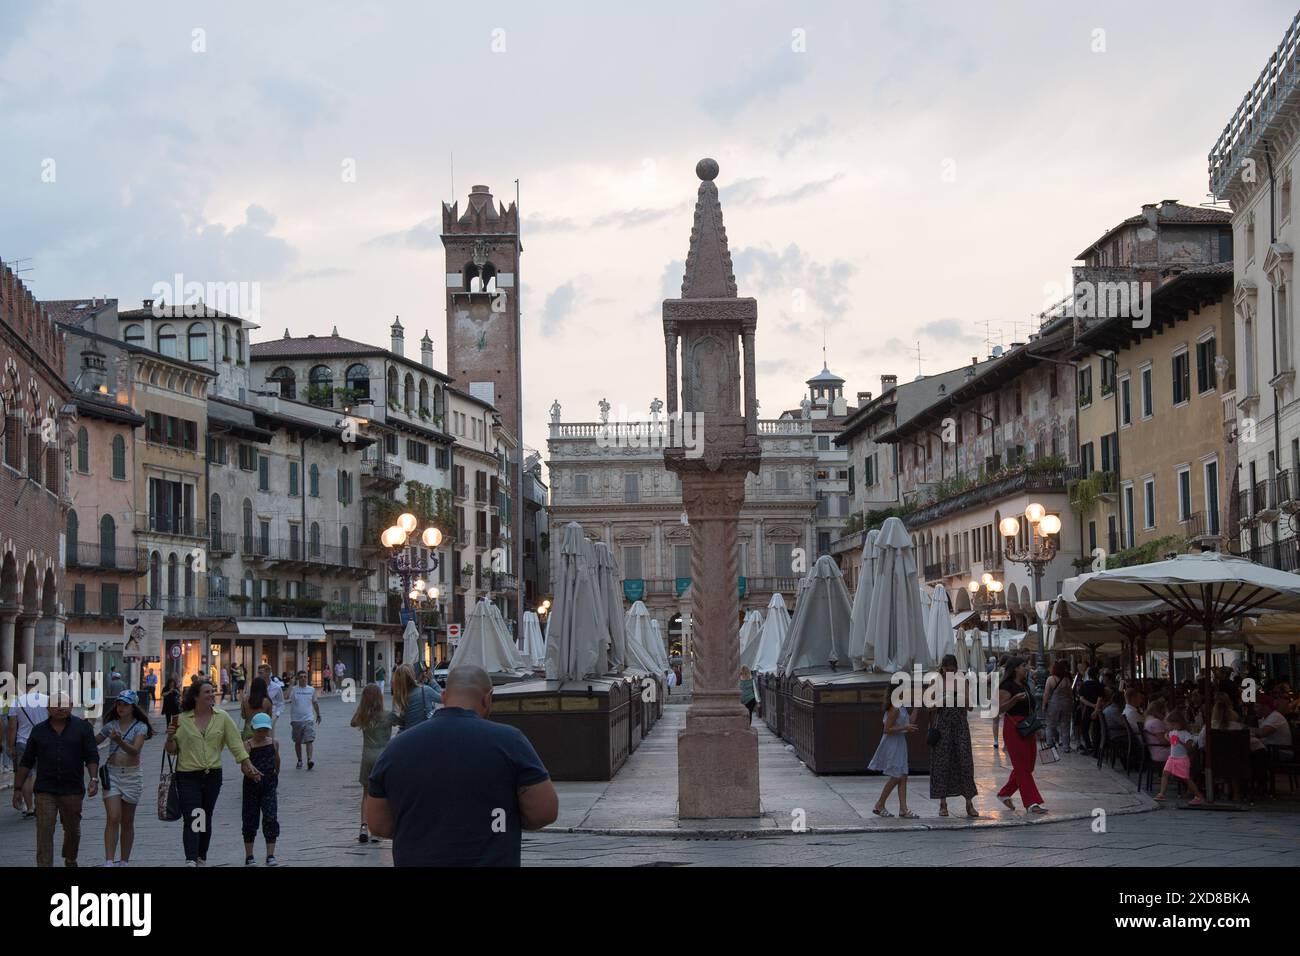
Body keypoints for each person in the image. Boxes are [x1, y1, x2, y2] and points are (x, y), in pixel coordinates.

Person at [366, 665, 558, 866]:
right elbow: (544, 812)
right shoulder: (511, 742)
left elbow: (378, 823)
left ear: (444, 695)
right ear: (488, 698)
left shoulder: (396, 749)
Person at [164, 678, 262, 866]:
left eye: (212, 691)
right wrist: (169, 737)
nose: (211, 695)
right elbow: (172, 750)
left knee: (204, 815)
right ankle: (191, 858)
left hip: (212, 776)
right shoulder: (182, 719)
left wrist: (246, 763)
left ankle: (201, 855)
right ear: (196, 696)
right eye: (207, 692)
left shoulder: (222, 717)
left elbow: (235, 744)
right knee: (193, 815)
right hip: (188, 775)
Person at [15, 693, 98, 867]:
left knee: (73, 831)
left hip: (72, 789)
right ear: (48, 708)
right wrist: (17, 788)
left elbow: (91, 755)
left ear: (72, 704)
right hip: (45, 789)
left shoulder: (83, 728)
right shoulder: (38, 731)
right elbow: (27, 761)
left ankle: (70, 858)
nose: (60, 707)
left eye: (64, 703)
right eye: (55, 704)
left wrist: (93, 778)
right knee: (44, 831)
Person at [95, 690, 152, 867]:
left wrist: (119, 741)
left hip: (132, 776)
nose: (121, 708)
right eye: (119, 704)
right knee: (113, 817)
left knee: (127, 821)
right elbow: (93, 741)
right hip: (112, 774)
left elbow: (135, 750)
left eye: (125, 705)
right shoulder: (111, 725)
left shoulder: (140, 727)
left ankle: (124, 861)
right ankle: (109, 861)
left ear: (133, 707)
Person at [928, 653, 978, 817]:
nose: (949, 672)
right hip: (943, 728)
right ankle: (943, 804)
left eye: (952, 670)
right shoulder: (936, 682)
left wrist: (960, 697)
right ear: (942, 668)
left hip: (961, 727)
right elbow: (929, 707)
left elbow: (970, 707)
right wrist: (943, 699)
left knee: (965, 763)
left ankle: (969, 804)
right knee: (942, 764)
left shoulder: (963, 681)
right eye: (946, 669)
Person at [997, 656, 1047, 813]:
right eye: (1024, 665)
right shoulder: (1006, 685)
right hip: (1013, 727)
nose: (1027, 668)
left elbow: (1030, 708)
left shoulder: (1025, 684)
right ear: (1015, 668)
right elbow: (999, 709)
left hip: (1028, 726)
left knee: (1028, 765)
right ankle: (1032, 803)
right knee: (1021, 766)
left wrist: (1037, 727)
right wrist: (1014, 700)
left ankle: (1004, 793)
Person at [351, 683, 398, 845]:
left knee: (366, 793)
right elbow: (403, 719)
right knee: (382, 795)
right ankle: (376, 831)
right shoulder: (388, 716)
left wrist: (363, 707)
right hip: (383, 757)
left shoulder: (363, 716)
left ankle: (363, 827)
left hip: (367, 757)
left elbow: (353, 723)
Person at [241, 713, 280, 866]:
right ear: (253, 729)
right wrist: (251, 775)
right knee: (250, 819)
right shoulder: (248, 745)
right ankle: (249, 855)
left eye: (265, 730)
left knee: (270, 817)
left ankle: (270, 855)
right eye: (259, 730)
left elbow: (277, 760)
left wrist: (276, 773)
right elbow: (244, 766)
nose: (262, 733)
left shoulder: (273, 743)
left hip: (269, 785)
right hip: (251, 786)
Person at [868, 695, 917, 818]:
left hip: (899, 742)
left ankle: (903, 809)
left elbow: (910, 722)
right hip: (892, 743)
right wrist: (905, 727)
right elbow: (887, 729)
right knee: (896, 776)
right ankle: (879, 804)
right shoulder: (894, 708)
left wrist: (917, 707)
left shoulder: (901, 706)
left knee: (903, 775)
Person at [8, 675, 49, 818]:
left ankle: (30, 807)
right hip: (44, 741)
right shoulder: (47, 700)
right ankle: (40, 805)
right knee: (41, 773)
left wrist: (10, 746)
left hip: (23, 742)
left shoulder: (17, 701)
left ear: (25, 686)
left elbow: (12, 727)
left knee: (25, 775)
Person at [1155, 708, 1203, 804]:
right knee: (1165, 774)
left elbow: (1189, 748)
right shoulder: (1173, 732)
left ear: (1180, 723)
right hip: (1172, 757)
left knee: (1186, 778)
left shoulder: (1186, 734)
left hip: (1181, 759)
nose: (1171, 726)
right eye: (1170, 724)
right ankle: (1161, 793)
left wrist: (1180, 741)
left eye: (1173, 724)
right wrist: (1168, 738)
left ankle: (1198, 795)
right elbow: (1173, 744)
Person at [392, 663, 441, 733]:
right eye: (423, 673)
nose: (424, 675)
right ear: (414, 675)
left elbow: (400, 721)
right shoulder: (425, 691)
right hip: (423, 734)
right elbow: (444, 698)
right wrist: (432, 680)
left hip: (407, 736)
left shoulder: (400, 695)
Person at [289, 670, 322, 769]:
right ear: (298, 679)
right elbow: (286, 696)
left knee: (309, 740)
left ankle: (309, 760)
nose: (303, 678)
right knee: (297, 741)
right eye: (301, 677)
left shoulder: (311, 690)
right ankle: (299, 760)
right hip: (296, 720)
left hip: (308, 718)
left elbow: (315, 703)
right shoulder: (294, 689)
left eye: (305, 677)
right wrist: (291, 684)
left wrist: (318, 714)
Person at [1043, 659, 1073, 753]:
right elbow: (1070, 694)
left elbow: (1046, 694)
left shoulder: (1050, 679)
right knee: (1065, 725)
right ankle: (1066, 747)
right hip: (1066, 704)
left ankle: (1050, 744)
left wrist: (1044, 705)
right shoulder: (1067, 680)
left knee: (1050, 725)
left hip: (1054, 705)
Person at [240, 677, 273, 741]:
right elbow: (269, 718)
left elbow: (243, 716)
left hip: (248, 729)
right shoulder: (267, 702)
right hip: (262, 731)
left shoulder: (245, 700)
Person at [258, 664, 286, 736]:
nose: (258, 675)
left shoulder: (276, 687)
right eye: (258, 673)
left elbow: (281, 702)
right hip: (258, 713)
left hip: (271, 714)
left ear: (268, 673)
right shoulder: (255, 685)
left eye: (261, 673)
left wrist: (276, 715)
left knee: (269, 736)